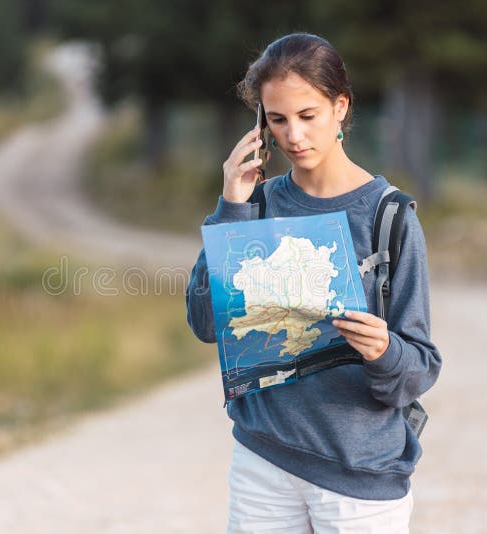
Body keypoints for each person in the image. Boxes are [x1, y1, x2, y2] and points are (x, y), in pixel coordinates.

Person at [185, 33, 442, 533]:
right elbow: (204, 324)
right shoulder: (252, 207)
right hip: (262, 465)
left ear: (340, 107)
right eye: (277, 119)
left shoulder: (390, 217)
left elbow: (419, 367)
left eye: (308, 116)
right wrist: (231, 209)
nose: (294, 136)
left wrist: (383, 349)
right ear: (260, 122)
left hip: (360, 480)